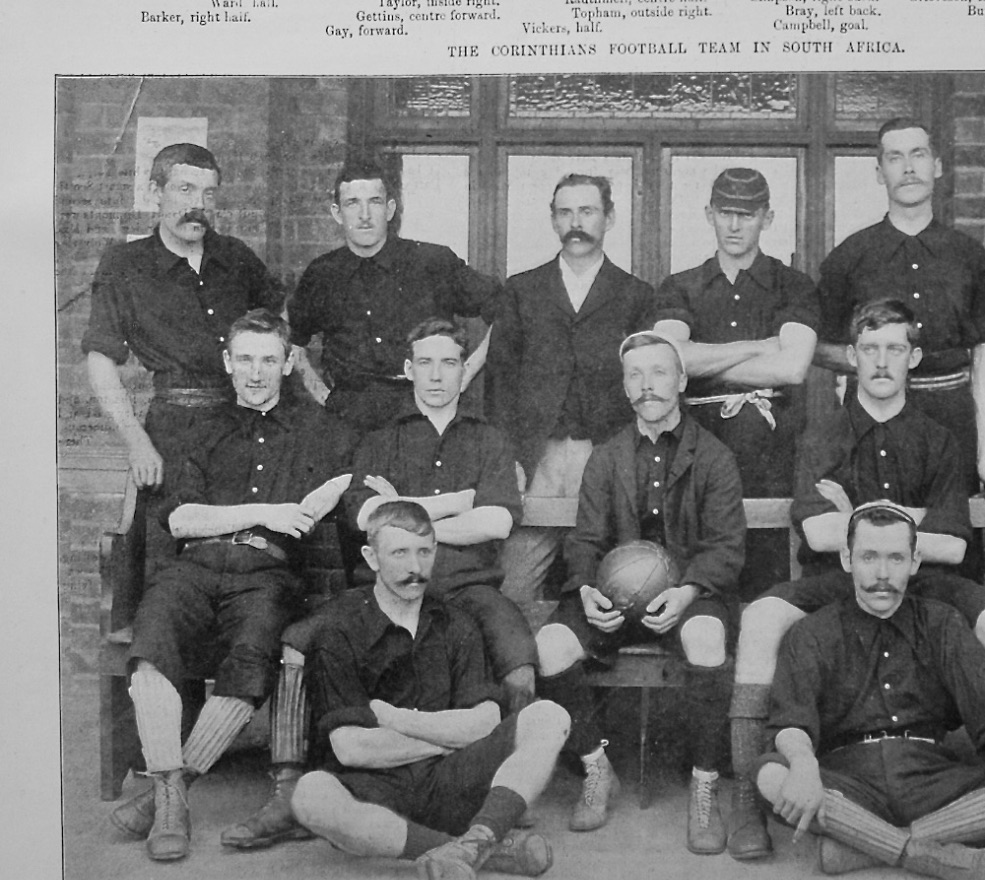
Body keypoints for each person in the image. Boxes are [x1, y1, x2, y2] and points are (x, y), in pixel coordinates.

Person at [726, 300, 985, 872]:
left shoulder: (938, 439)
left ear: (914, 358)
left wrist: (864, 513)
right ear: (851, 358)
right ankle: (750, 801)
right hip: (837, 582)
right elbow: (821, 534)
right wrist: (911, 519)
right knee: (760, 617)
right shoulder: (822, 436)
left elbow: (953, 546)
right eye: (869, 350)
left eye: (895, 349)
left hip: (928, 584)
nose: (881, 362)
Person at [107, 311, 354, 861]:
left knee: (252, 655)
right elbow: (179, 520)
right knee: (152, 641)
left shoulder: (324, 431)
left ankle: (167, 797)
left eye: (269, 359)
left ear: (289, 362)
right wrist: (268, 510)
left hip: (267, 575)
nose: (257, 372)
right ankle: (173, 794)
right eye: (245, 358)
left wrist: (295, 510)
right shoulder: (198, 429)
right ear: (227, 363)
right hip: (192, 568)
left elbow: (329, 500)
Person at [757, 502, 985, 880]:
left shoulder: (942, 623)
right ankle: (933, 851)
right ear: (846, 559)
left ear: (915, 561)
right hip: (850, 779)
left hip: (932, 777)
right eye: (869, 557)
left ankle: (865, 847)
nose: (883, 575)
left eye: (896, 558)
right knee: (770, 775)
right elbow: (791, 720)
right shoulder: (812, 633)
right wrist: (803, 764)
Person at [292, 500, 570, 880]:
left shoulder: (456, 623)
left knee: (548, 716)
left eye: (424, 552)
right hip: (376, 793)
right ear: (371, 557)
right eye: (399, 553)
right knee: (311, 796)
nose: (414, 568)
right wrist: (449, 734)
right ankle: (477, 850)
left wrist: (394, 718)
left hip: (452, 782)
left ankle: (478, 838)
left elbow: (486, 723)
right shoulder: (338, 634)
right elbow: (352, 749)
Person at [536, 332, 745, 853]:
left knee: (704, 637)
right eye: (635, 374)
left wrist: (687, 592)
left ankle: (703, 786)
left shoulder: (714, 457)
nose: (646, 385)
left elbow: (725, 547)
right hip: (612, 592)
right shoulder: (606, 458)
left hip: (689, 593)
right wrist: (587, 591)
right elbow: (584, 540)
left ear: (681, 381)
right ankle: (596, 767)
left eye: (657, 372)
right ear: (625, 386)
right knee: (551, 645)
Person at [815, 117, 985, 518]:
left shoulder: (968, 255)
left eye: (918, 155)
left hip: (950, 414)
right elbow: (825, 348)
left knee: (949, 534)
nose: (908, 168)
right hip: (872, 419)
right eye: (895, 157)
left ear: (937, 165)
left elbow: (984, 357)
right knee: (872, 531)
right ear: (880, 172)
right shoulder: (851, 257)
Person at [481, 173, 655, 611]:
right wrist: (510, 462)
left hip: (610, 457)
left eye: (587, 211)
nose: (576, 222)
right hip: (538, 458)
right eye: (565, 212)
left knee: (615, 583)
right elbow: (499, 383)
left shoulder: (636, 296)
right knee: (514, 588)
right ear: (553, 220)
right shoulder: (522, 291)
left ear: (609, 217)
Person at [345, 316, 537, 710]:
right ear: (407, 369)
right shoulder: (380, 440)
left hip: (470, 587)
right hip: (388, 590)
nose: (436, 376)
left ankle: (508, 764)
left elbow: (497, 522)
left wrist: (402, 514)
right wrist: (457, 504)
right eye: (425, 363)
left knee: (520, 668)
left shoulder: (489, 440)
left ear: (465, 370)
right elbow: (367, 516)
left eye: (448, 363)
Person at [652, 167, 820, 595]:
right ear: (709, 214)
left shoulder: (794, 286)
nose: (734, 224)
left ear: (768, 218)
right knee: (699, 572)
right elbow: (671, 360)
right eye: (725, 212)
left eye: (746, 214)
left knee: (767, 575)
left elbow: (792, 368)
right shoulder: (680, 287)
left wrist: (703, 361)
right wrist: (762, 345)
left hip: (773, 453)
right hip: (696, 448)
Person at [81, 142, 283, 495]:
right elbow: (100, 360)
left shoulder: (235, 256)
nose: (198, 206)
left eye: (209, 193)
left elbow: (279, 324)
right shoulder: (125, 266)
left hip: (246, 425)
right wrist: (136, 442)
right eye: (184, 189)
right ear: (155, 192)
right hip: (173, 433)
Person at [288, 153, 501, 434]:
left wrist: (466, 372)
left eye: (374, 202)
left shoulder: (431, 262)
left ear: (389, 209)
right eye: (353, 203)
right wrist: (322, 393)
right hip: (348, 417)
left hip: (423, 414)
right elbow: (291, 340)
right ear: (337, 213)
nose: (365, 216)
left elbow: (505, 308)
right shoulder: (323, 273)